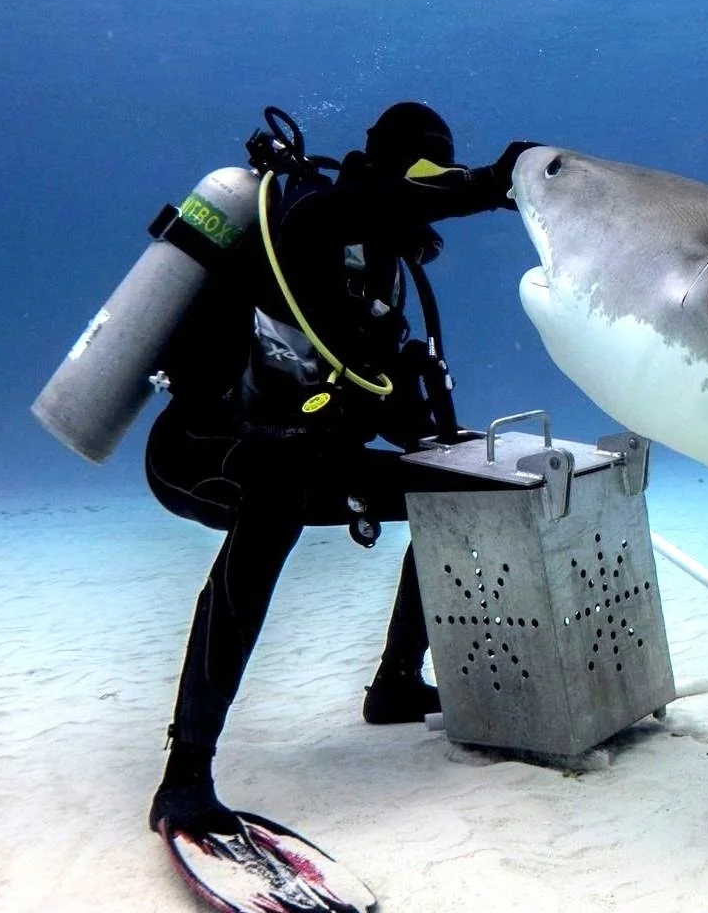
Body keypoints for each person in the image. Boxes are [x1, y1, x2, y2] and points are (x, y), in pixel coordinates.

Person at [143, 103, 532, 843]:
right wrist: (489, 184)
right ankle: (186, 772)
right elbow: (356, 208)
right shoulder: (310, 218)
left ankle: (394, 682)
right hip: (199, 451)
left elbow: (398, 425)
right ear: (388, 173)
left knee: (451, 491)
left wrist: (445, 433)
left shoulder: (379, 287)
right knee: (275, 498)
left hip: (301, 454)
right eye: (425, 181)